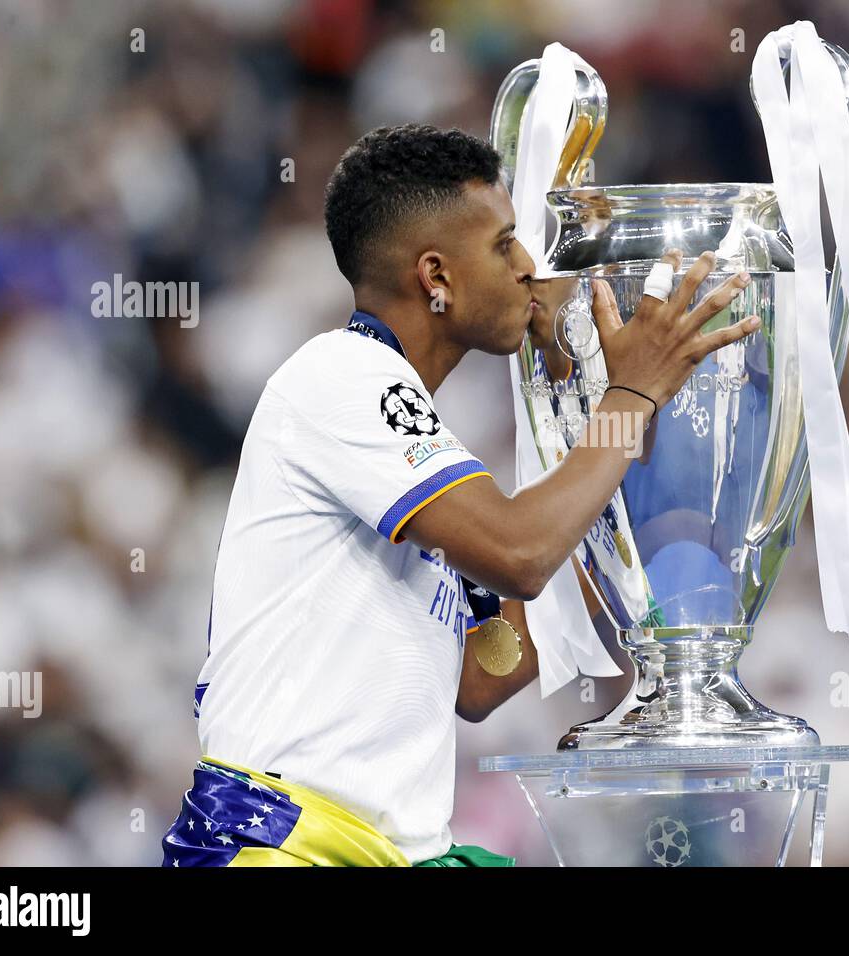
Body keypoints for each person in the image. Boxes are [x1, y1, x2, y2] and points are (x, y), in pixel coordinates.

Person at [160, 123, 760, 866]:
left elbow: (484, 675)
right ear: (436, 276)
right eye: (505, 243)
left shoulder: (409, 435)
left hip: (381, 849)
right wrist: (631, 395)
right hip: (280, 843)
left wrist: (599, 422)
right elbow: (520, 552)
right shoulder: (342, 376)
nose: (528, 267)